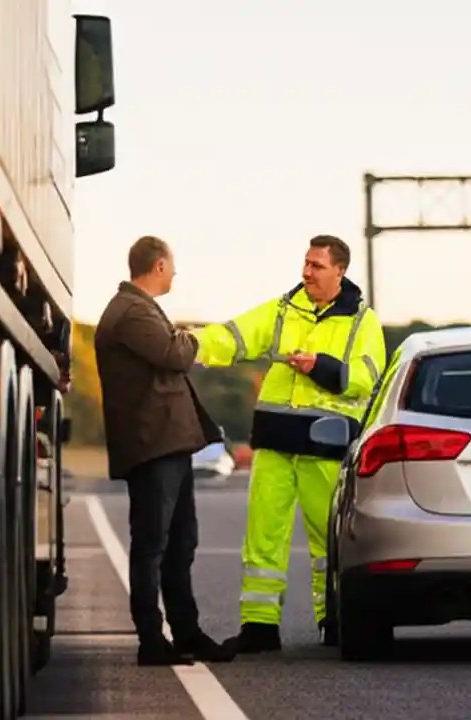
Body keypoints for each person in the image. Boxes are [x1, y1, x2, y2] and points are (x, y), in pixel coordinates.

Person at [192, 234, 387, 652]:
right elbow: (235, 335)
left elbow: (368, 377)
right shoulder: (284, 309)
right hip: (276, 440)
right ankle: (260, 628)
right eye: (305, 263)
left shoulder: (361, 322)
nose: (307, 272)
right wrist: (188, 345)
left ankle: (332, 620)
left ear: (340, 270)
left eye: (317, 265)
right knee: (263, 536)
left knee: (328, 542)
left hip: (326, 444)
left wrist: (321, 367)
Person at [93, 235, 235, 666]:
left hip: (166, 443)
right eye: (172, 266)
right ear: (157, 266)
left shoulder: (139, 309)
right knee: (153, 543)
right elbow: (174, 353)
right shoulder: (132, 311)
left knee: (180, 542)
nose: (174, 273)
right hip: (152, 444)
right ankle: (152, 640)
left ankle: (186, 632)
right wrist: (194, 338)